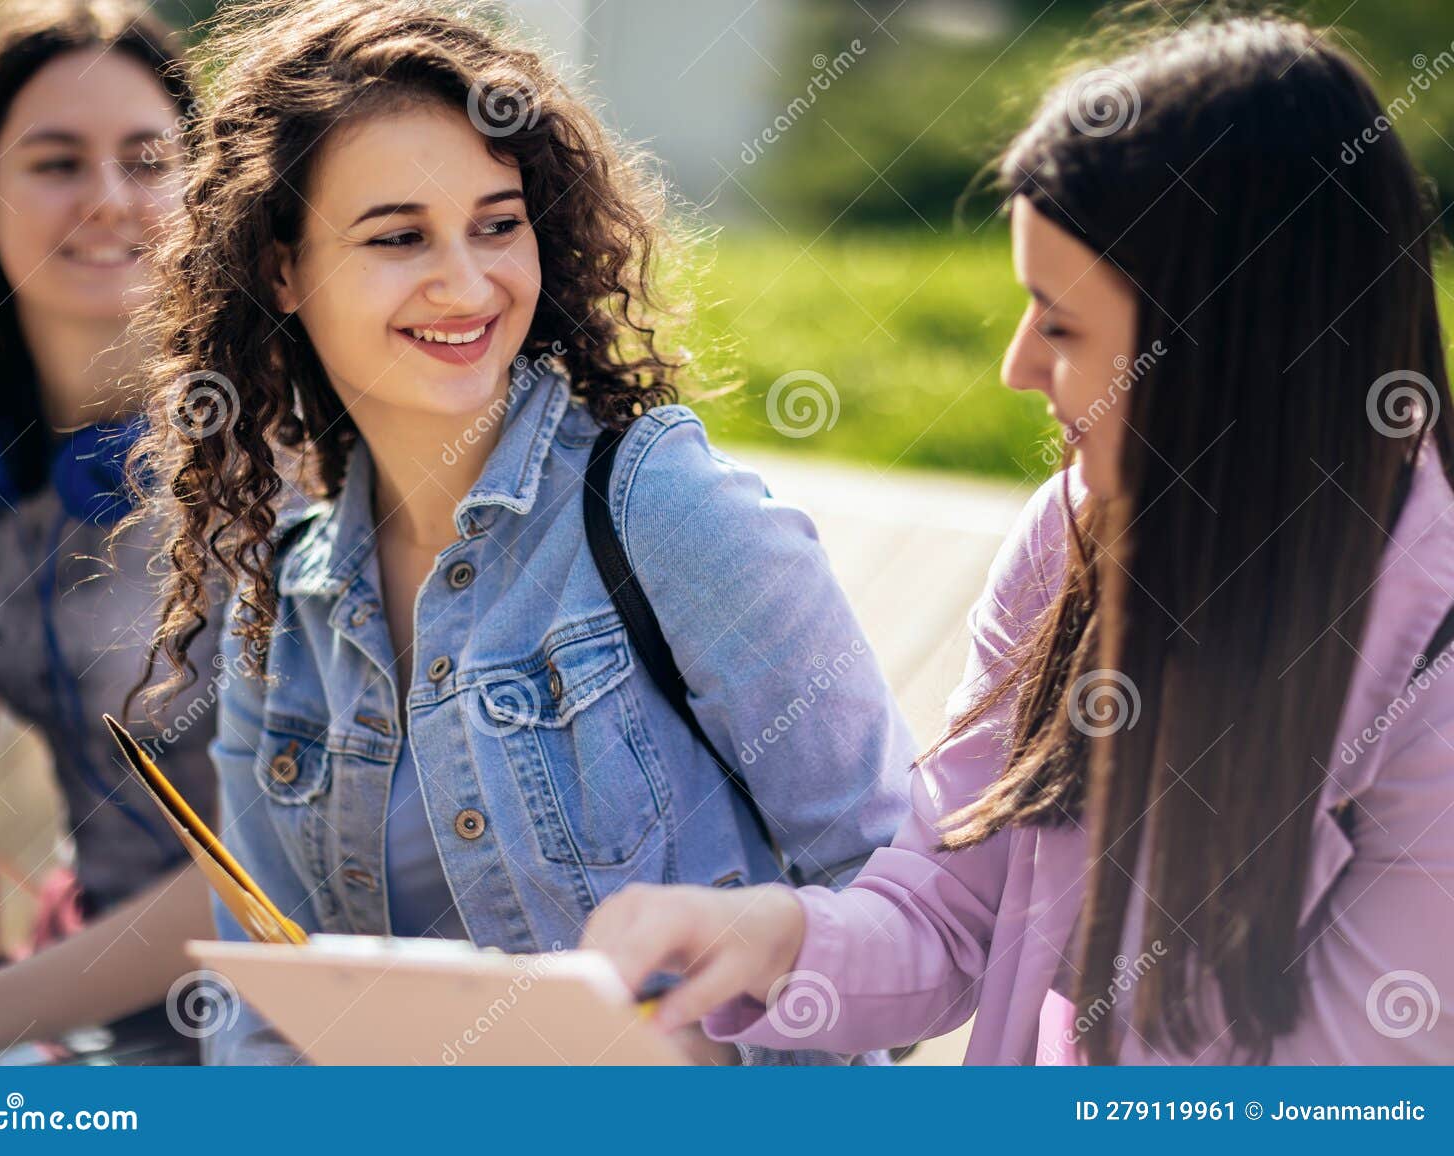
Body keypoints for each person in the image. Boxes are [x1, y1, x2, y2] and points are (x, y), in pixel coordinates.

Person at [582, 13, 1454, 1065]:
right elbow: (949, 909)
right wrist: (770, 938)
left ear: (1220, 344)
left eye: (1060, 321)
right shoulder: (1073, 536)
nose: (1015, 366)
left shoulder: (1430, 682)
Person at [126, 0, 913, 1066]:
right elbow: (265, 1008)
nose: (467, 281)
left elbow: (896, 909)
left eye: (497, 224)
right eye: (399, 237)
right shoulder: (280, 606)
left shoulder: (663, 512)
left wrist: (704, 1056)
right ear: (280, 270)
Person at [0, 0, 227, 1064]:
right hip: (76, 997)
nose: (109, 200)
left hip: (279, 1015)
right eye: (59, 162)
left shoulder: (285, 454)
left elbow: (287, 856)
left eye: (149, 160)